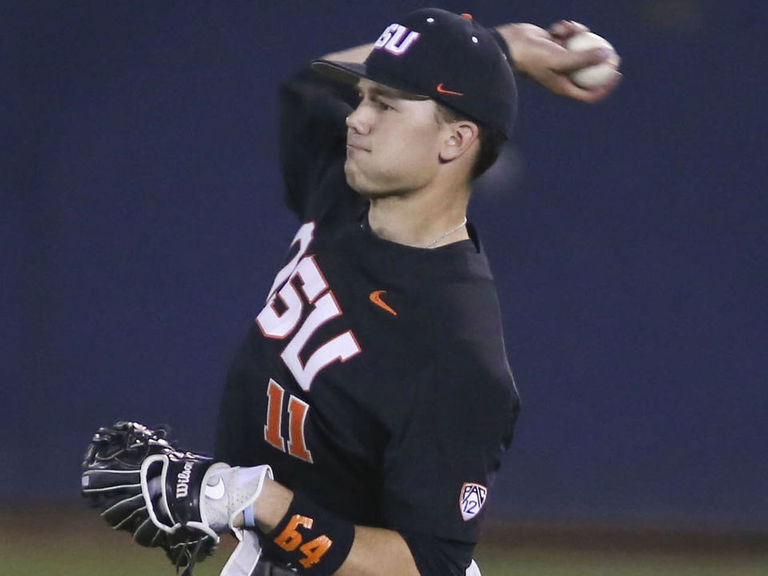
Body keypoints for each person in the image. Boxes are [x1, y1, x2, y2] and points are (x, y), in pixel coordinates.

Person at [81, 8, 620, 576]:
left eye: (385, 105)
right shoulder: (344, 191)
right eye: (361, 97)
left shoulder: (455, 353)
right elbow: (309, 87)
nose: (356, 119)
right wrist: (497, 50)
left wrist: (258, 502)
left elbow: (431, 563)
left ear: (455, 139)